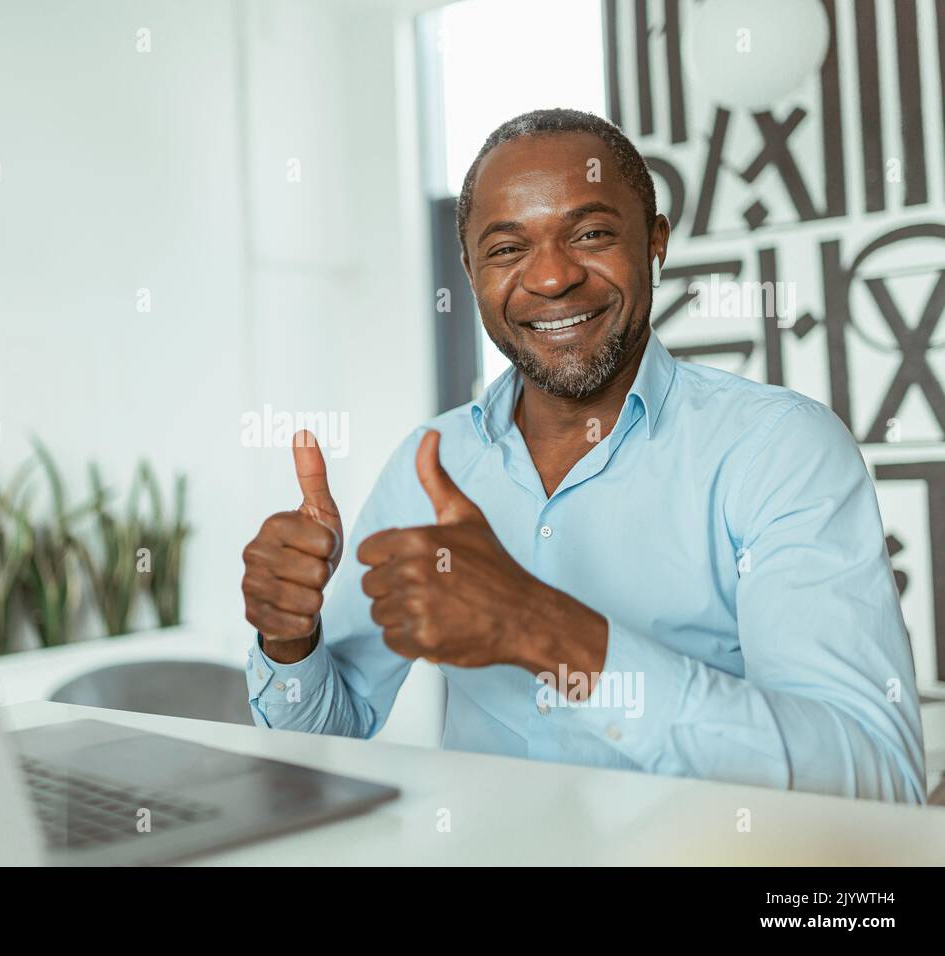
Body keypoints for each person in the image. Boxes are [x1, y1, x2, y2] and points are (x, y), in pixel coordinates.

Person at [239, 108, 925, 803]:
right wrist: (289, 638)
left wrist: (542, 627)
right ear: (472, 272)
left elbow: (872, 781)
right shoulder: (430, 461)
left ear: (655, 243)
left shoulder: (780, 451)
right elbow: (329, 730)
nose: (552, 278)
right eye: (507, 249)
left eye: (591, 234)